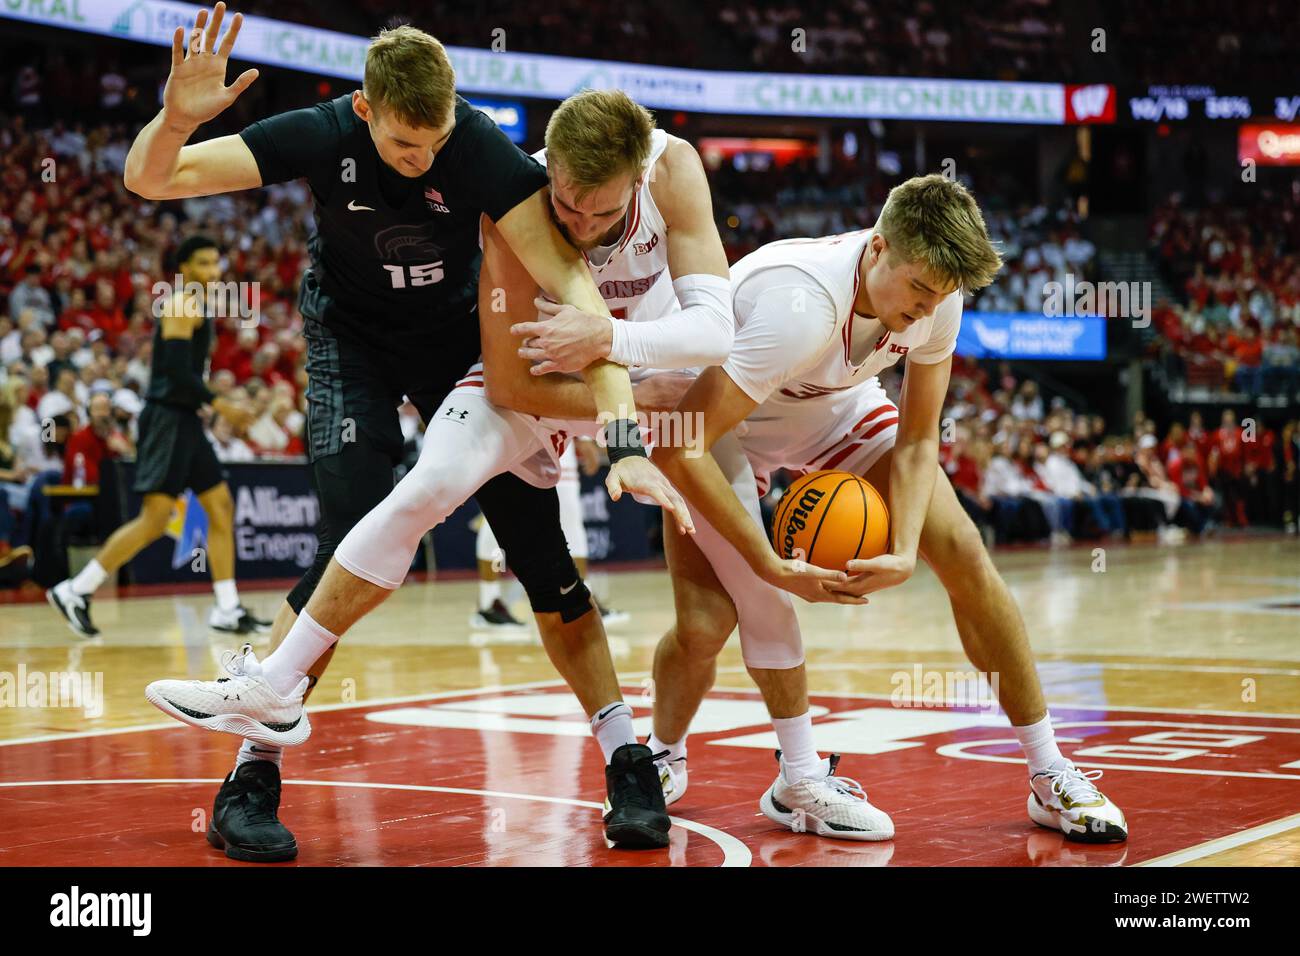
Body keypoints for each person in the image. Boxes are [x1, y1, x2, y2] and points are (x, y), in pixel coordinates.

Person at [132, 14, 687, 862]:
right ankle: (253, 771)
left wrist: (620, 428)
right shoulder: (320, 133)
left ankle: (626, 760)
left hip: (460, 350)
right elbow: (152, 182)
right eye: (401, 145)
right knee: (349, 528)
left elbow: (576, 287)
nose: (421, 159)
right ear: (363, 109)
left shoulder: (480, 151)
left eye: (434, 143)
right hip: (348, 341)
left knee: (543, 559)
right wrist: (176, 119)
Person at [612, 175, 1127, 843]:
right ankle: (669, 752)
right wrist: (769, 562)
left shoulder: (936, 294)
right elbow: (683, 449)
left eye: (941, 296)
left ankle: (1048, 770)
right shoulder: (800, 305)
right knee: (710, 621)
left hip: (837, 412)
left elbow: (917, 441)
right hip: (715, 427)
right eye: (918, 292)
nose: (929, 307)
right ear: (878, 248)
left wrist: (907, 547)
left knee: (965, 556)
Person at [46, 236, 267, 637]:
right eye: (203, 263)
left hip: (184, 420)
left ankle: (227, 608)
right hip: (168, 419)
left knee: (219, 507)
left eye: (216, 264)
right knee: (154, 520)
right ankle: (77, 589)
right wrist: (222, 406)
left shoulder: (197, 305)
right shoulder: (182, 304)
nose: (213, 272)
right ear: (184, 269)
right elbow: (179, 374)